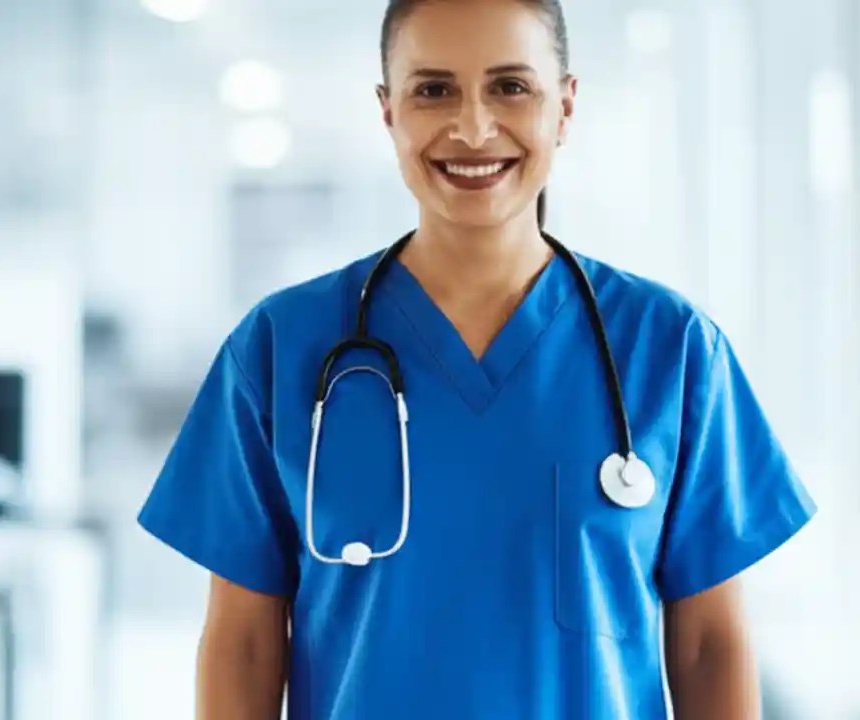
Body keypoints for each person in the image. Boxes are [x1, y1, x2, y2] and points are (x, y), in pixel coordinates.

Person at [137, 0, 817, 717]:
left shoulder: (670, 349)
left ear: (566, 106)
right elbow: (243, 643)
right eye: (433, 89)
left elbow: (709, 644)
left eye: (510, 87)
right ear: (388, 111)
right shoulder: (281, 349)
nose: (472, 127)